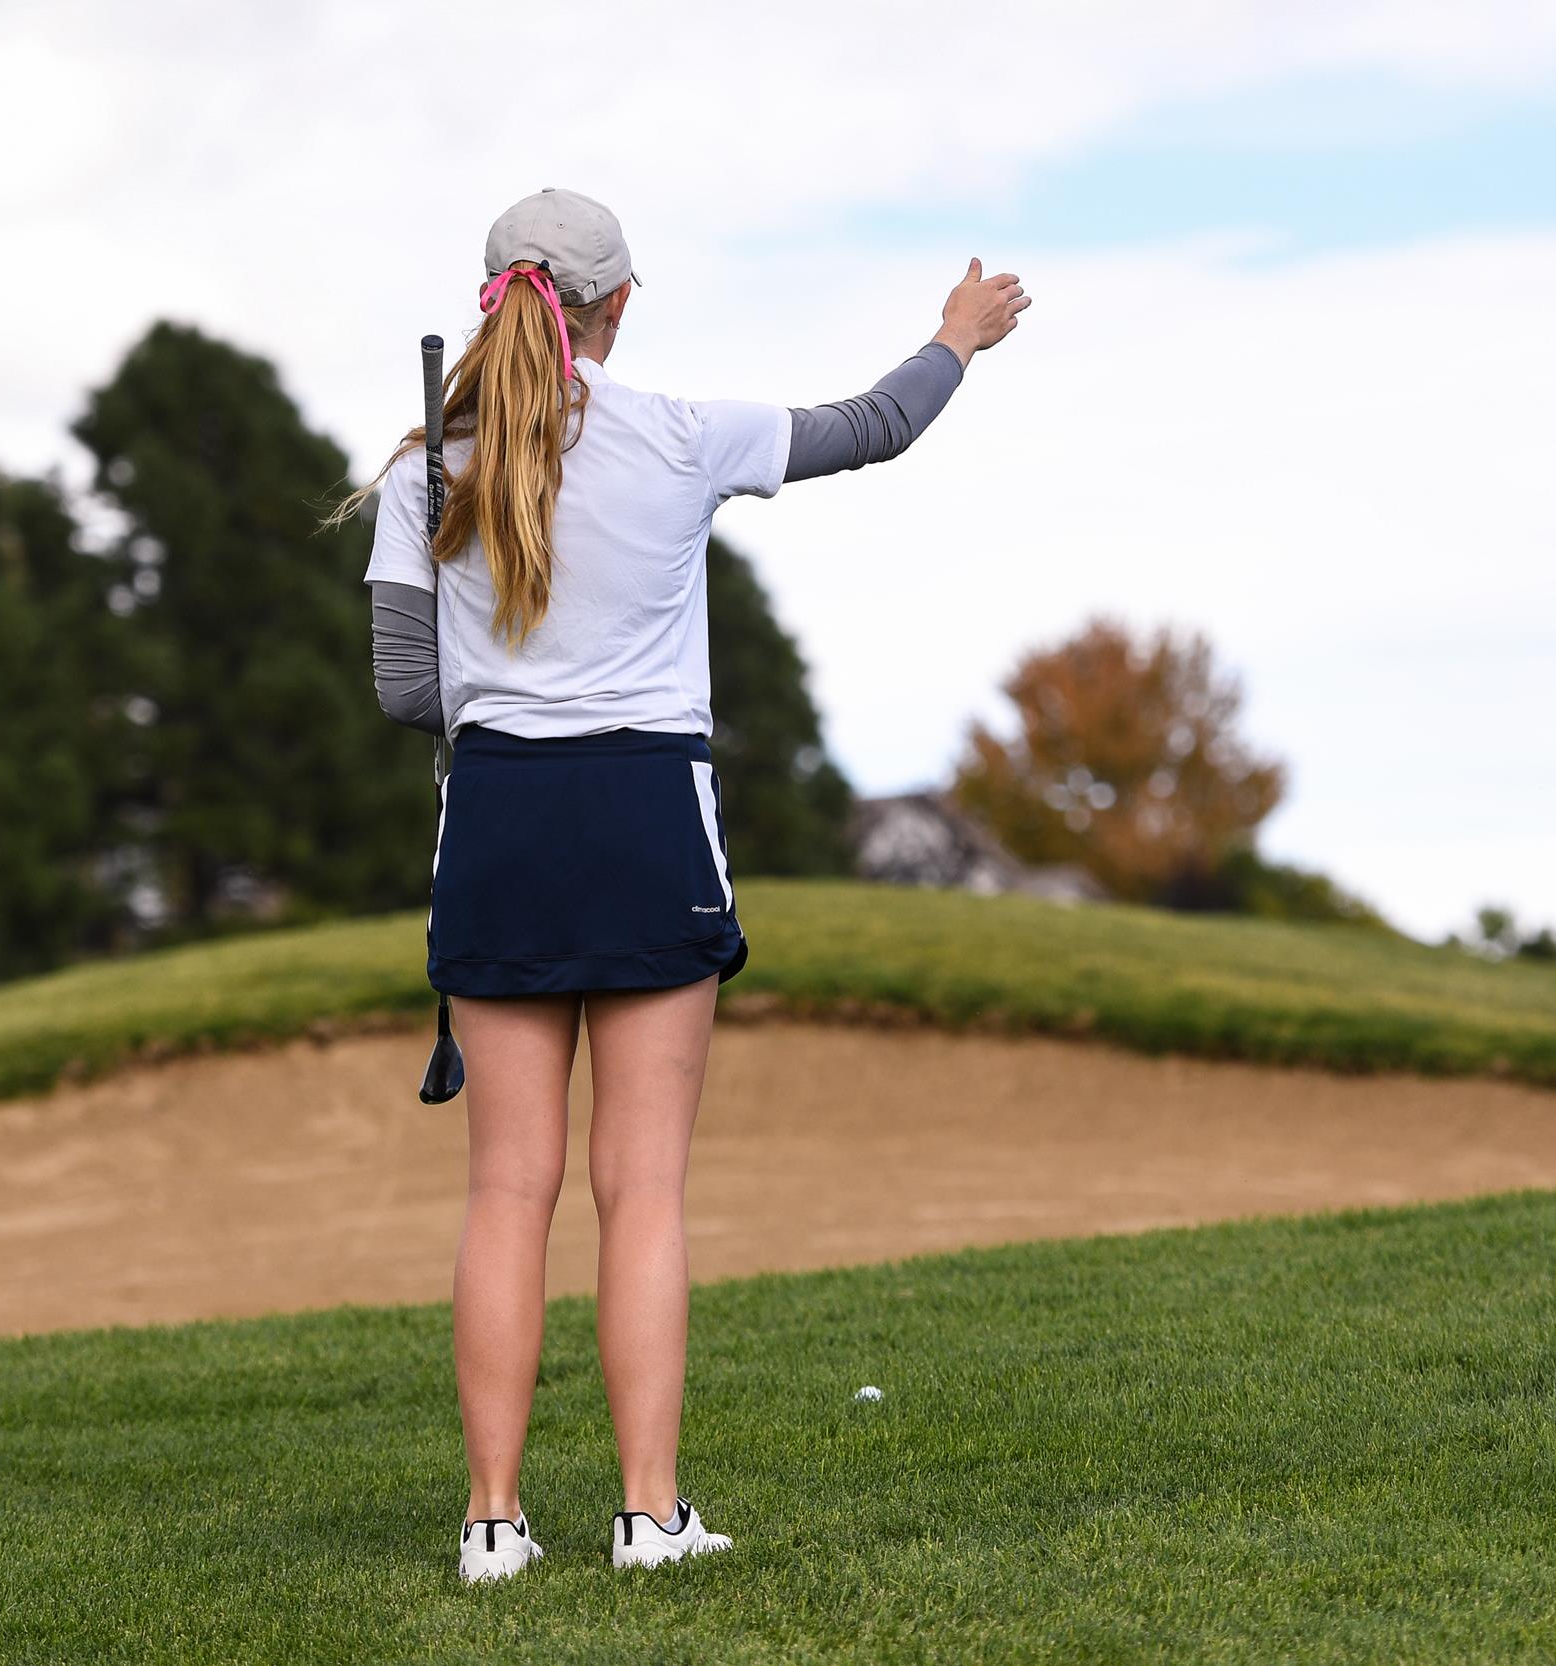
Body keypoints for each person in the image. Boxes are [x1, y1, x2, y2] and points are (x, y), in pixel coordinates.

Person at [334, 187, 1029, 1586]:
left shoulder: (427, 468)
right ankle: (649, 1516)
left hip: (504, 826)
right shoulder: (679, 433)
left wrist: (502, 679)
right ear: (618, 305)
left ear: (494, 299)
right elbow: (872, 426)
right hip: (650, 813)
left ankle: (492, 1523)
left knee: (505, 1193)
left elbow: (409, 689)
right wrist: (954, 336)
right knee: (639, 1185)